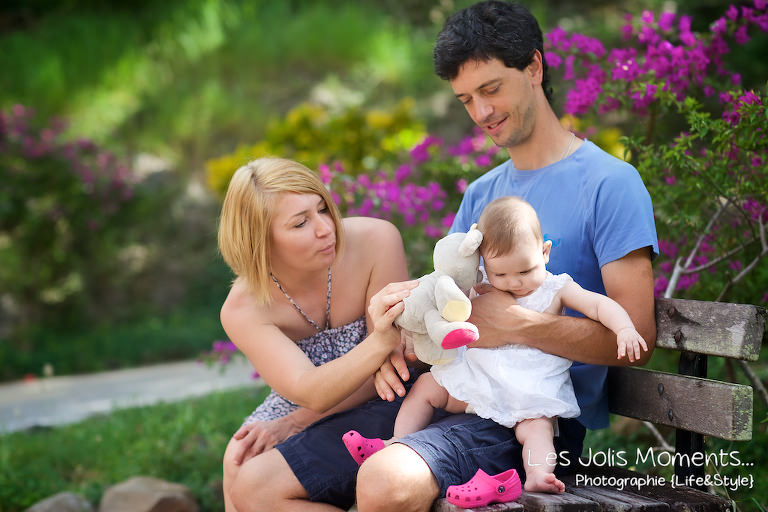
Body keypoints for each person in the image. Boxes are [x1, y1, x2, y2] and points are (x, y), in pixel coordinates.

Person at [230, 2, 658, 511]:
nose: (481, 113)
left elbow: (638, 338)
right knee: (252, 486)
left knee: (385, 482)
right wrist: (393, 323)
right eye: (466, 99)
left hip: (526, 417)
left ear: (535, 68)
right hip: (444, 391)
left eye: (492, 89)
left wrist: (518, 324)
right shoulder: (482, 192)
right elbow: (445, 301)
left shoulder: (610, 184)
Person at [342, 196, 648, 495]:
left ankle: (539, 474)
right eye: (501, 273)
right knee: (425, 387)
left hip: (527, 389)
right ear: (485, 265)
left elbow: (597, 306)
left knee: (538, 427)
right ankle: (397, 440)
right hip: (478, 380)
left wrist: (623, 328)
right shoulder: (480, 287)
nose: (514, 282)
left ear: (544, 253)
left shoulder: (557, 287)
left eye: (525, 271)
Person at [218, 157, 417, 512]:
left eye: (323, 208)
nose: (326, 228)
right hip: (305, 398)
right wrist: (290, 420)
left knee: (258, 483)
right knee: (237, 460)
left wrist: (295, 424)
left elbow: (387, 365)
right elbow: (308, 389)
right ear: (261, 241)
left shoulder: (375, 240)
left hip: (385, 391)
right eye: (300, 223)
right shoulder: (243, 308)